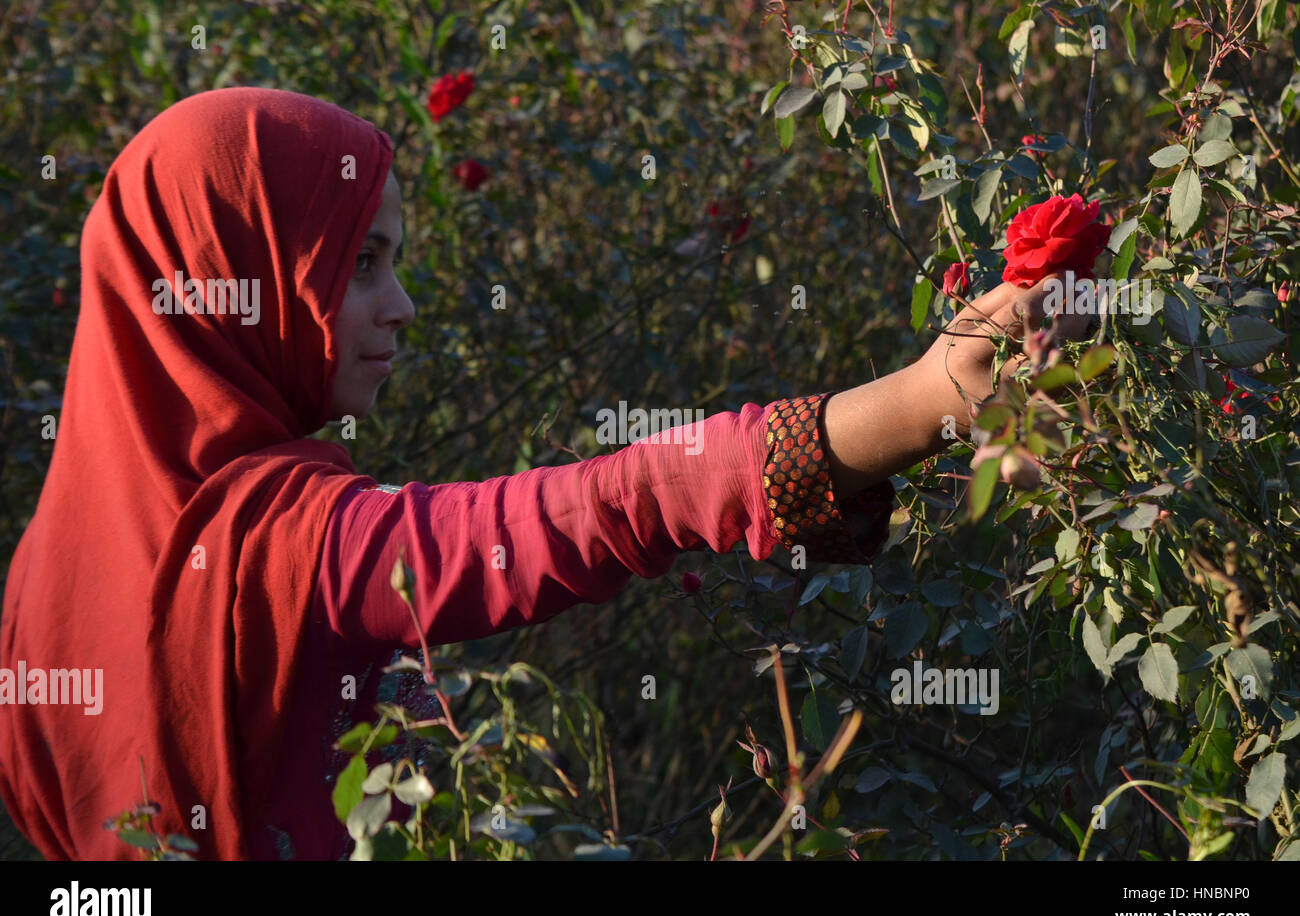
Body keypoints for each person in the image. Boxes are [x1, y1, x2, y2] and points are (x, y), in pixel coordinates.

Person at [0, 87, 1065, 861]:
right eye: (359, 263)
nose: (402, 304)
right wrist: (920, 401)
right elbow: (568, 518)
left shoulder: (33, 586)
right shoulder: (277, 542)